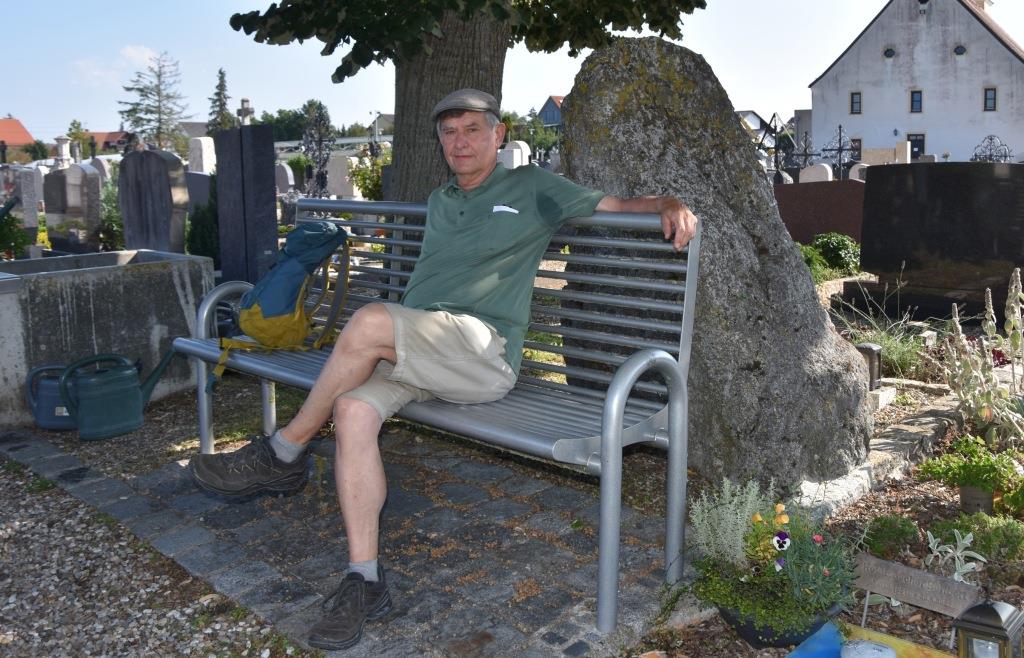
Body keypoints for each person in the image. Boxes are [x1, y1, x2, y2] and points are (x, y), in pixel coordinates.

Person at [189, 88, 698, 651]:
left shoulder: (532, 188)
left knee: (369, 323)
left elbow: (620, 207)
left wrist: (669, 201)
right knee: (353, 410)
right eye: (450, 132)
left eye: (473, 129)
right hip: (423, 348)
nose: (460, 142)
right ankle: (365, 578)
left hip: (482, 352)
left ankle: (284, 451)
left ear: (498, 135)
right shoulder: (440, 200)